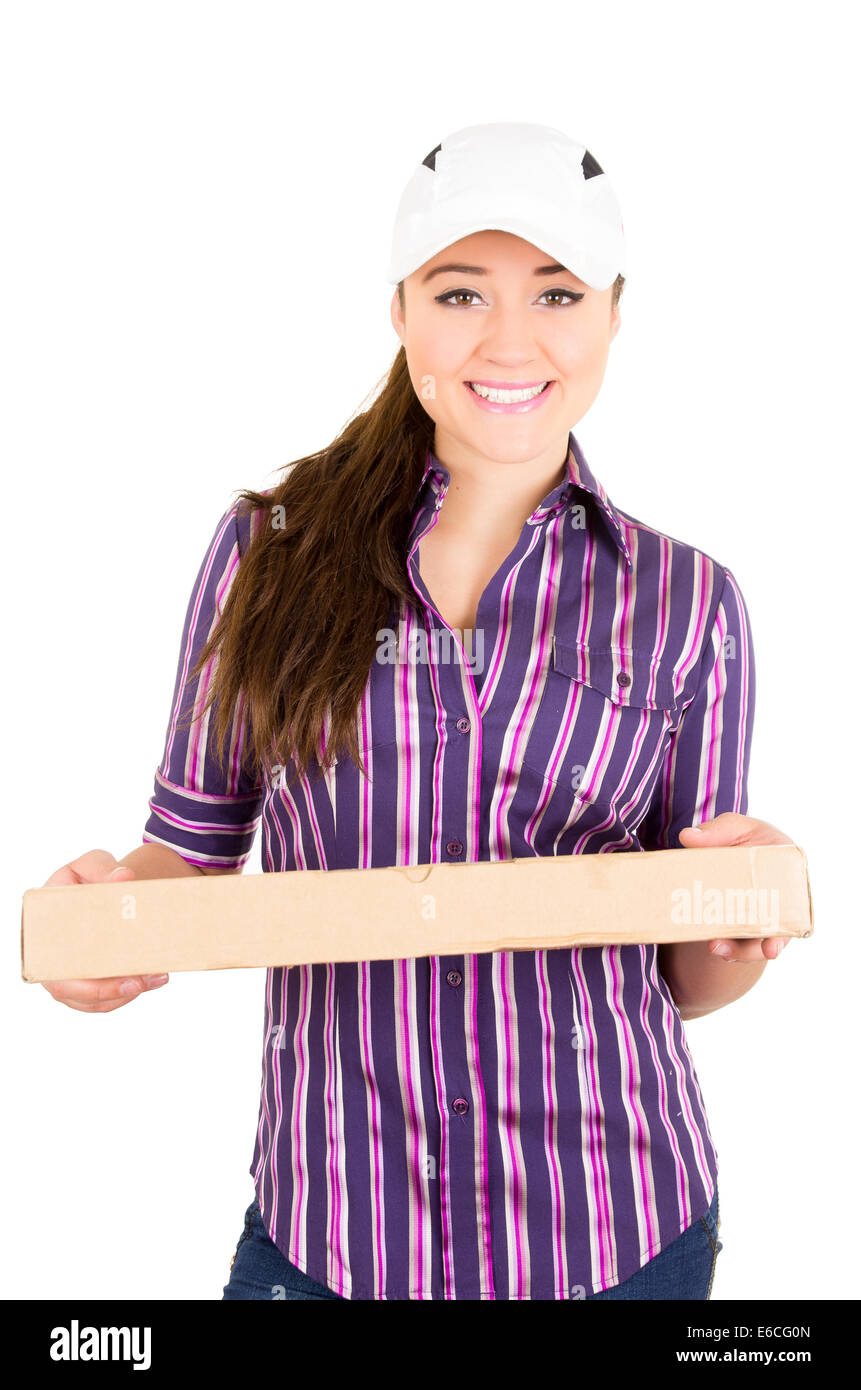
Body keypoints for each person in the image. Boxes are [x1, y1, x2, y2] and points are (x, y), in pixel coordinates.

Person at [40, 122, 793, 1301]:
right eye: (459, 292)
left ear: (612, 311)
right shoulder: (268, 555)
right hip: (335, 1230)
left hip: (616, 1233)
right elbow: (186, 856)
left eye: (556, 291)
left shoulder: (689, 602)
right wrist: (107, 939)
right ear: (401, 309)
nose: (510, 340)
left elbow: (688, 974)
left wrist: (740, 925)